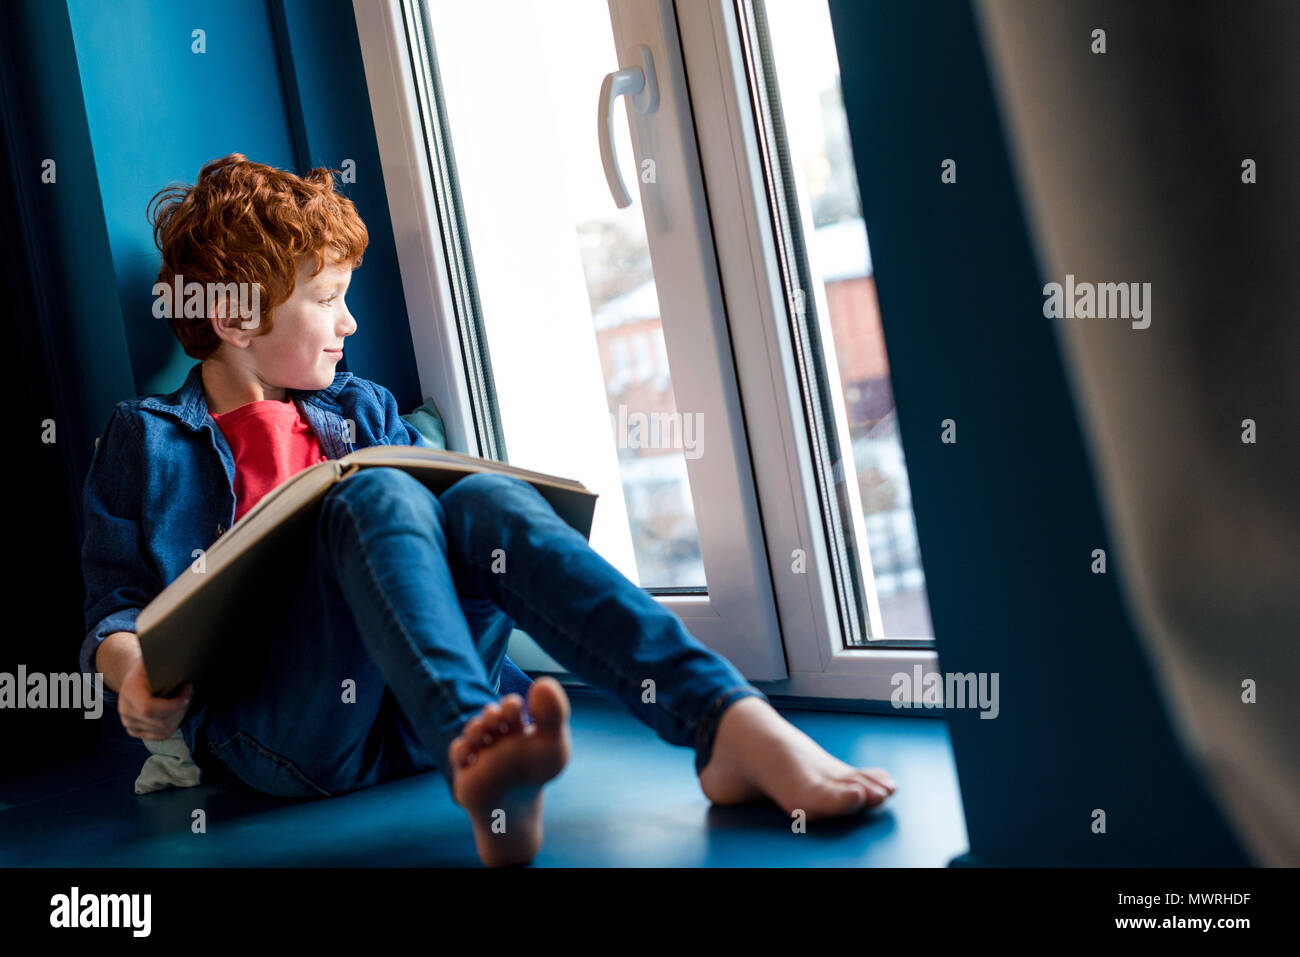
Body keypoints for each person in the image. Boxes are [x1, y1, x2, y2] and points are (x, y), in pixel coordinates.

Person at [80, 154, 896, 867]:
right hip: (290, 734)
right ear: (234, 318)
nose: (349, 322)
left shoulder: (361, 409)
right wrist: (133, 675)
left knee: (476, 496)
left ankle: (723, 720)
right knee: (377, 488)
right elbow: (113, 607)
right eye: (327, 298)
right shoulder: (147, 440)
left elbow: (428, 534)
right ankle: (479, 746)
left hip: (409, 720)